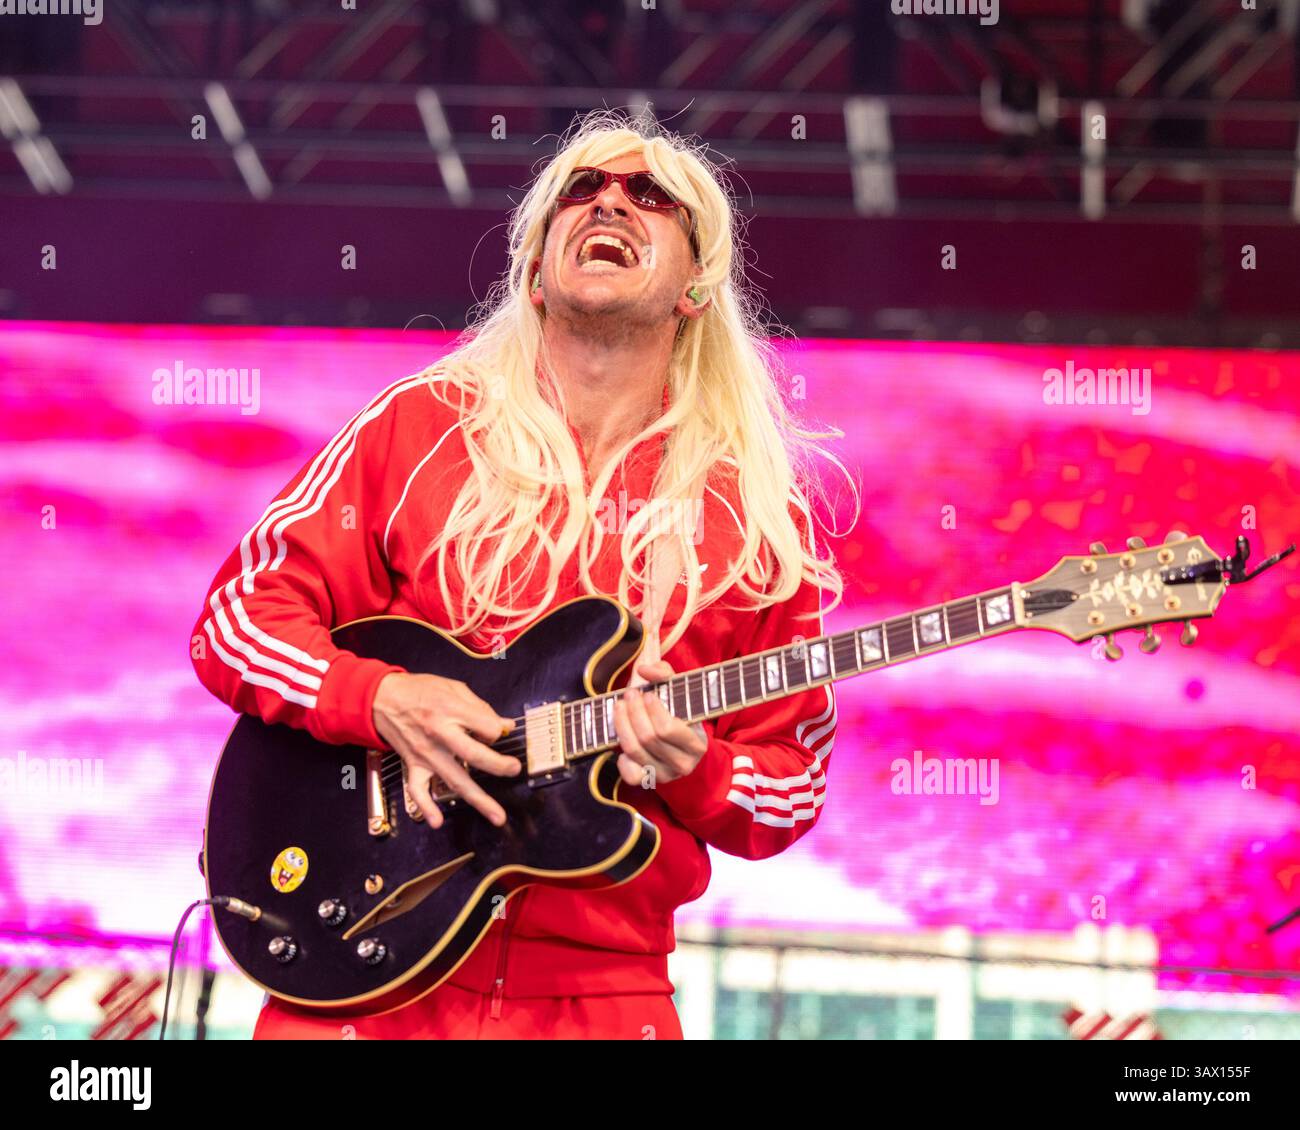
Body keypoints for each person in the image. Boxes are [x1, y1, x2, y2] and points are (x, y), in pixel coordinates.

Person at [192, 109, 848, 1039]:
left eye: (648, 196)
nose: (607, 202)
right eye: (578, 191)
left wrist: (699, 767)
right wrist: (380, 698)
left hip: (601, 994)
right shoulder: (417, 428)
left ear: (696, 287)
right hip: (363, 974)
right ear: (535, 272)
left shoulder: (757, 526)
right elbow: (234, 623)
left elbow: (791, 788)